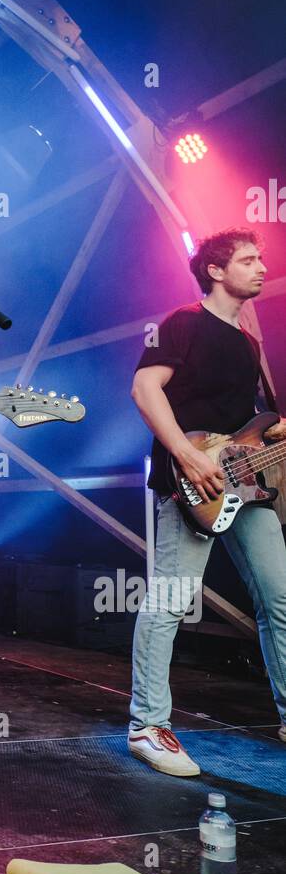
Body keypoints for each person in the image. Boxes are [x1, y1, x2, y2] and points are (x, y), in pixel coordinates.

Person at [129, 228, 286, 775]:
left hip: (248, 485)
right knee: (170, 599)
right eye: (248, 259)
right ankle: (147, 725)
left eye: (261, 258)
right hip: (190, 479)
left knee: (281, 597)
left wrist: (271, 435)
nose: (261, 267)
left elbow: (250, 421)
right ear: (217, 271)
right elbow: (145, 389)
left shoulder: (250, 343)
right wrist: (187, 455)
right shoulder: (183, 323)